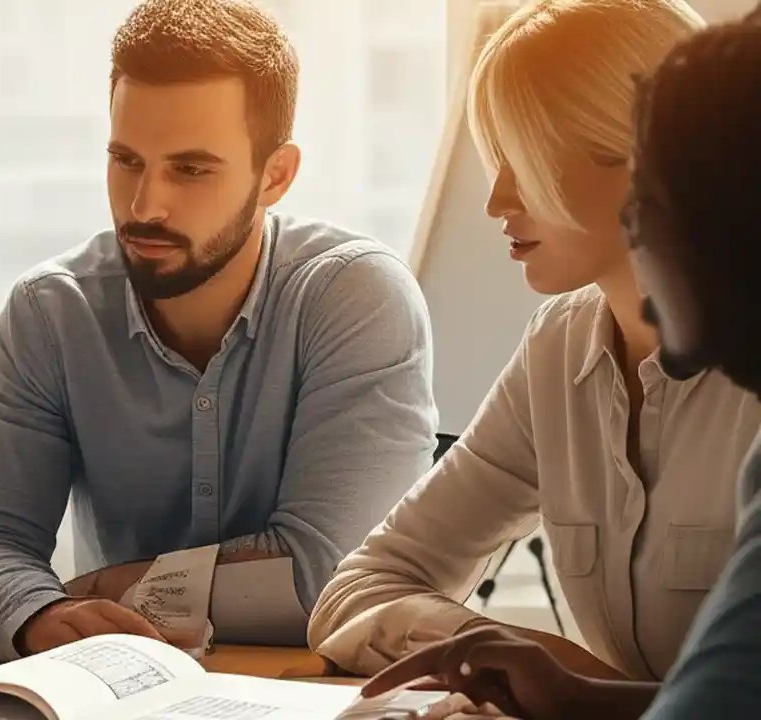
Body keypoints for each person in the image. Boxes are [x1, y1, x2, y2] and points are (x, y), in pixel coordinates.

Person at [0, 0, 437, 662]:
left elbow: (331, 581)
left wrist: (111, 587)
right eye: (126, 160)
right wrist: (41, 615)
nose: (145, 205)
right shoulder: (52, 313)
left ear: (275, 175)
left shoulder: (354, 298)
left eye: (190, 169)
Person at [307, 0, 761, 684]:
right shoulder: (560, 347)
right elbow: (363, 585)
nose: (497, 200)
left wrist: (580, 691)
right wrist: (483, 642)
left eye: (522, 156)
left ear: (643, 152)